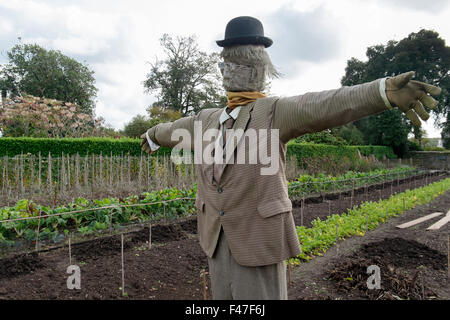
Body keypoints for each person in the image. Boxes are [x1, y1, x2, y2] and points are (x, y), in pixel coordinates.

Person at [140, 16, 441, 300]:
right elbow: (173, 130)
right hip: (216, 241)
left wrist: (381, 92)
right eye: (228, 63)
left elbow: (325, 105)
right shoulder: (207, 120)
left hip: (258, 241)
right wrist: (153, 135)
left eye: (242, 63)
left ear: (259, 69)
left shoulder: (272, 113)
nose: (233, 70)